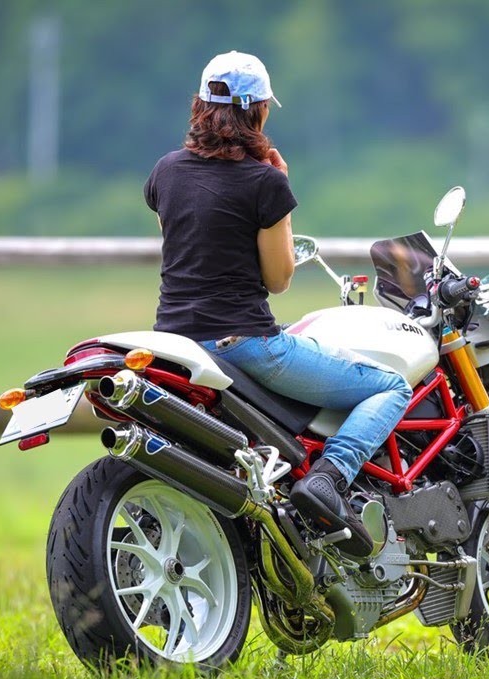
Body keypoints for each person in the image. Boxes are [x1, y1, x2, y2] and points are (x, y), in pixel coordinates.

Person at [143, 51, 412, 557]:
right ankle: (330, 480)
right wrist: (280, 188)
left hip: (174, 341)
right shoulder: (266, 182)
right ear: (259, 111)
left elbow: (184, 245)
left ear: (200, 105)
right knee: (391, 386)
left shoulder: (166, 172)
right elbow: (280, 277)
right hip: (245, 344)